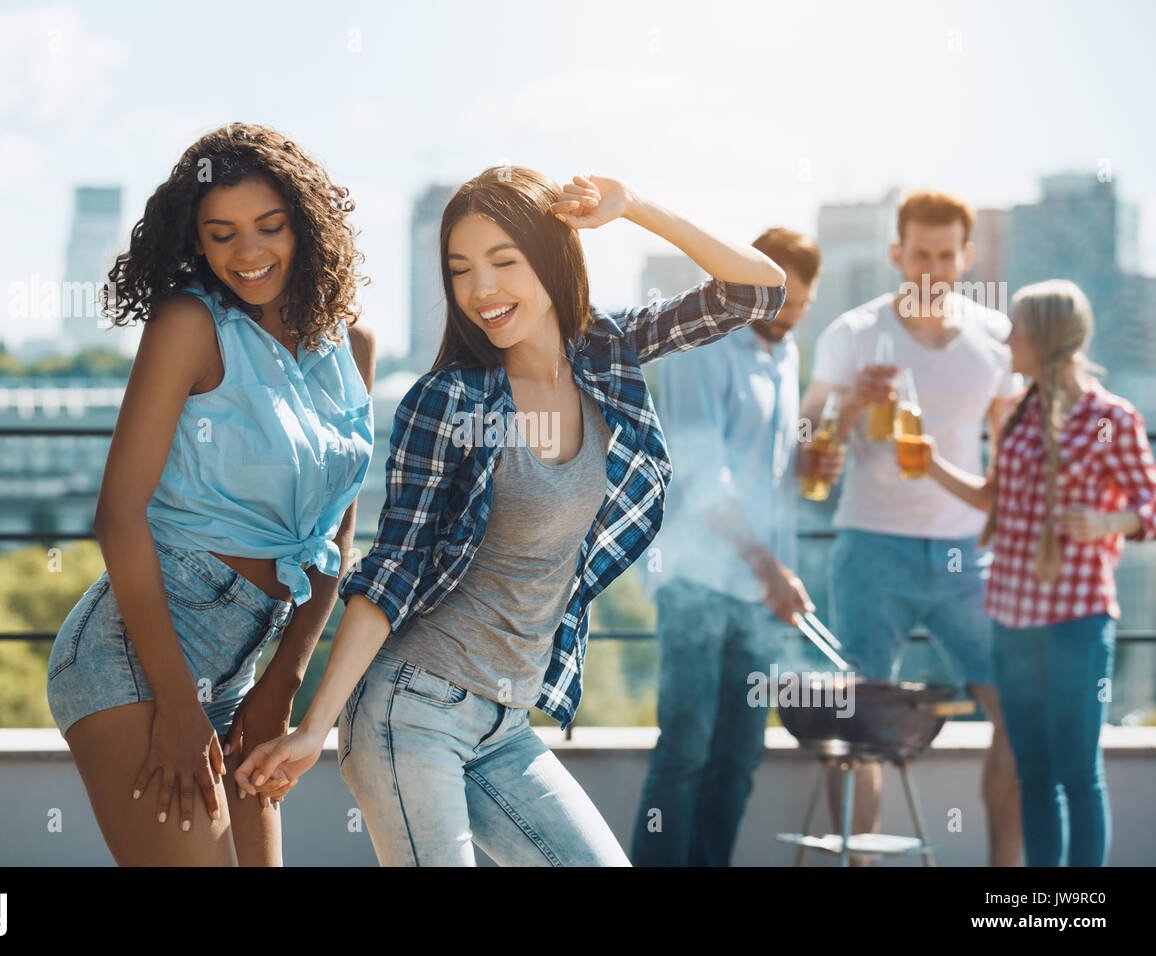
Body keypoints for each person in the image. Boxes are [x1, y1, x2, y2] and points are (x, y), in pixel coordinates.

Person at [235, 167, 787, 866]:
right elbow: (392, 570)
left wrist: (634, 207)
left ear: (552, 260)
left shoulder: (605, 356)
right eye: (461, 270)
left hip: (505, 724)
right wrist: (314, 728)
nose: (482, 290)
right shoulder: (449, 401)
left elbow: (759, 291)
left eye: (504, 261)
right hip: (411, 711)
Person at [46, 123, 376, 865]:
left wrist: (283, 681)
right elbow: (119, 517)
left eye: (270, 226)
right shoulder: (190, 324)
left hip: (247, 662)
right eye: (221, 234)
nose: (248, 253)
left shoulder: (352, 346)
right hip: (140, 654)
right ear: (196, 242)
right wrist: (175, 703)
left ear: (306, 224)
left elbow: (334, 537)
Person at [799, 190, 1023, 866]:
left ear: (966, 256)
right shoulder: (852, 333)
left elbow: (1012, 461)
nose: (931, 267)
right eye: (918, 253)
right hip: (871, 550)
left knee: (1014, 712)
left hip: (967, 559)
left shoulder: (998, 338)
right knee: (861, 726)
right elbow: (806, 451)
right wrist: (845, 405)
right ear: (897, 254)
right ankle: (860, 863)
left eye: (945, 254)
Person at [921, 280, 1156, 866]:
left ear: (1045, 338)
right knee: (1034, 773)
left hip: (1077, 620)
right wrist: (930, 465)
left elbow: (1149, 506)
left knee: (1077, 772)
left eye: (1018, 327)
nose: (1008, 338)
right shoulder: (1021, 412)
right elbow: (992, 500)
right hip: (1012, 619)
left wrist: (1108, 522)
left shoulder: (1111, 418)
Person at [631, 227, 843, 865]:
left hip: (759, 589)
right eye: (787, 301)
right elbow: (703, 476)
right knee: (688, 747)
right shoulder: (702, 347)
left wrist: (812, 464)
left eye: (805, 304)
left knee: (741, 755)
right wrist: (769, 567)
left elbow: (767, 465)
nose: (797, 314)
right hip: (700, 580)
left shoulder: (786, 349)